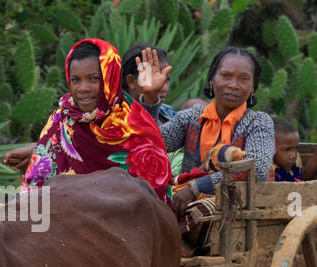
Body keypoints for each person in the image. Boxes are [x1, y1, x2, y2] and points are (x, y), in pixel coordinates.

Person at [19, 38, 172, 200]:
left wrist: (150, 97)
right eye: (76, 80)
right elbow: (34, 187)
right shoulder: (61, 120)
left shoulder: (137, 124)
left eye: (93, 78)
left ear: (109, 78)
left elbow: (154, 200)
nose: (83, 88)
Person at [135, 46, 275, 212]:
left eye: (243, 79)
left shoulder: (258, 122)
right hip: (183, 203)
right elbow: (152, 144)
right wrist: (151, 97)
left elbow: (255, 170)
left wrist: (196, 188)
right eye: (226, 75)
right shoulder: (192, 117)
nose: (233, 85)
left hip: (239, 210)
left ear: (252, 88)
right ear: (211, 80)